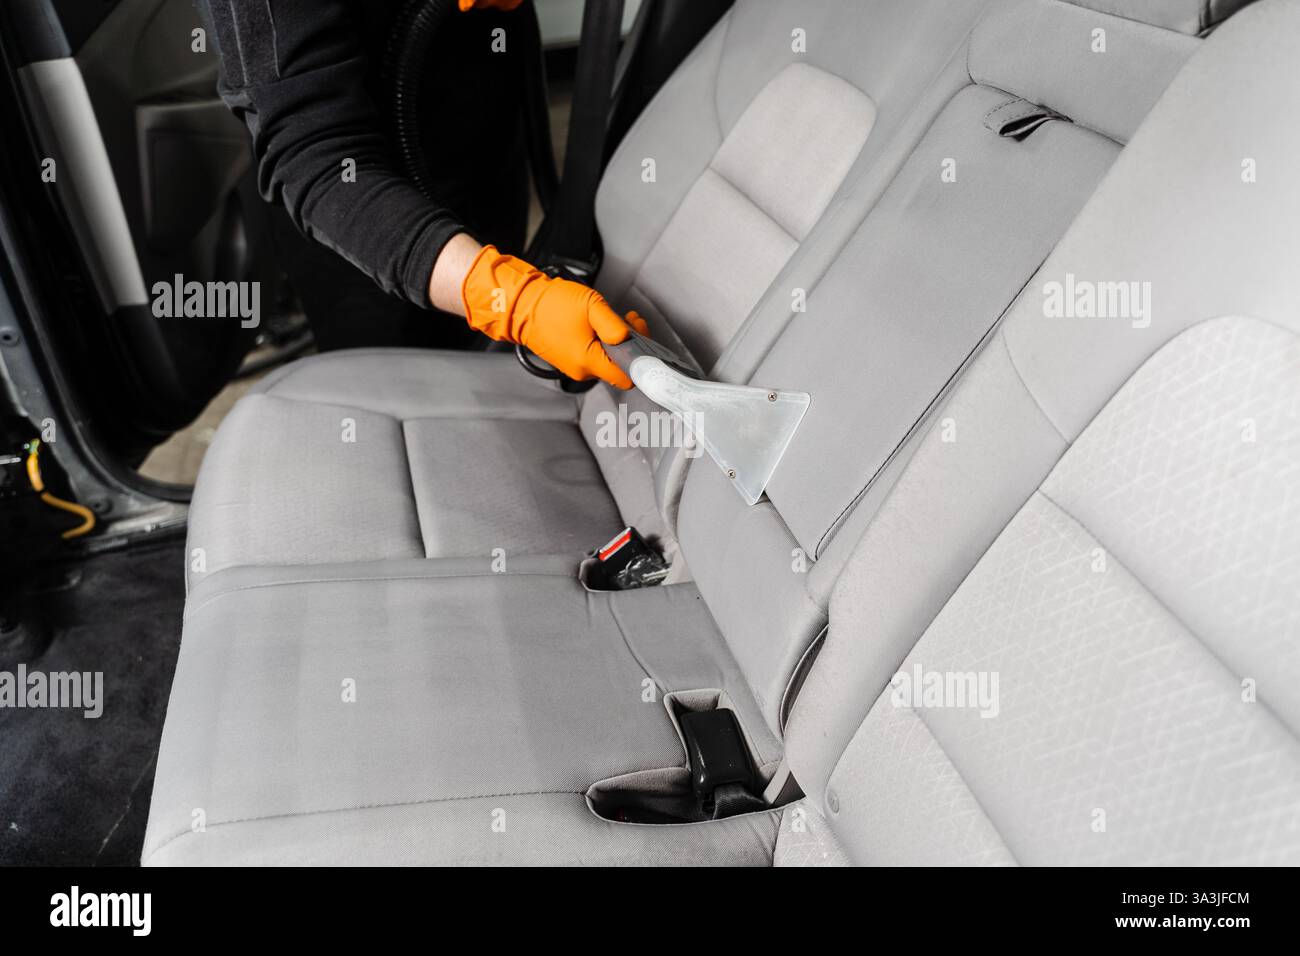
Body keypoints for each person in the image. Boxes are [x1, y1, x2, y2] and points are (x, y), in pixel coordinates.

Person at [197, 0, 645, 388]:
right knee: (401, 384)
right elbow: (320, 161)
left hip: (479, 117)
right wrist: (513, 301)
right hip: (367, 219)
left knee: (486, 373)